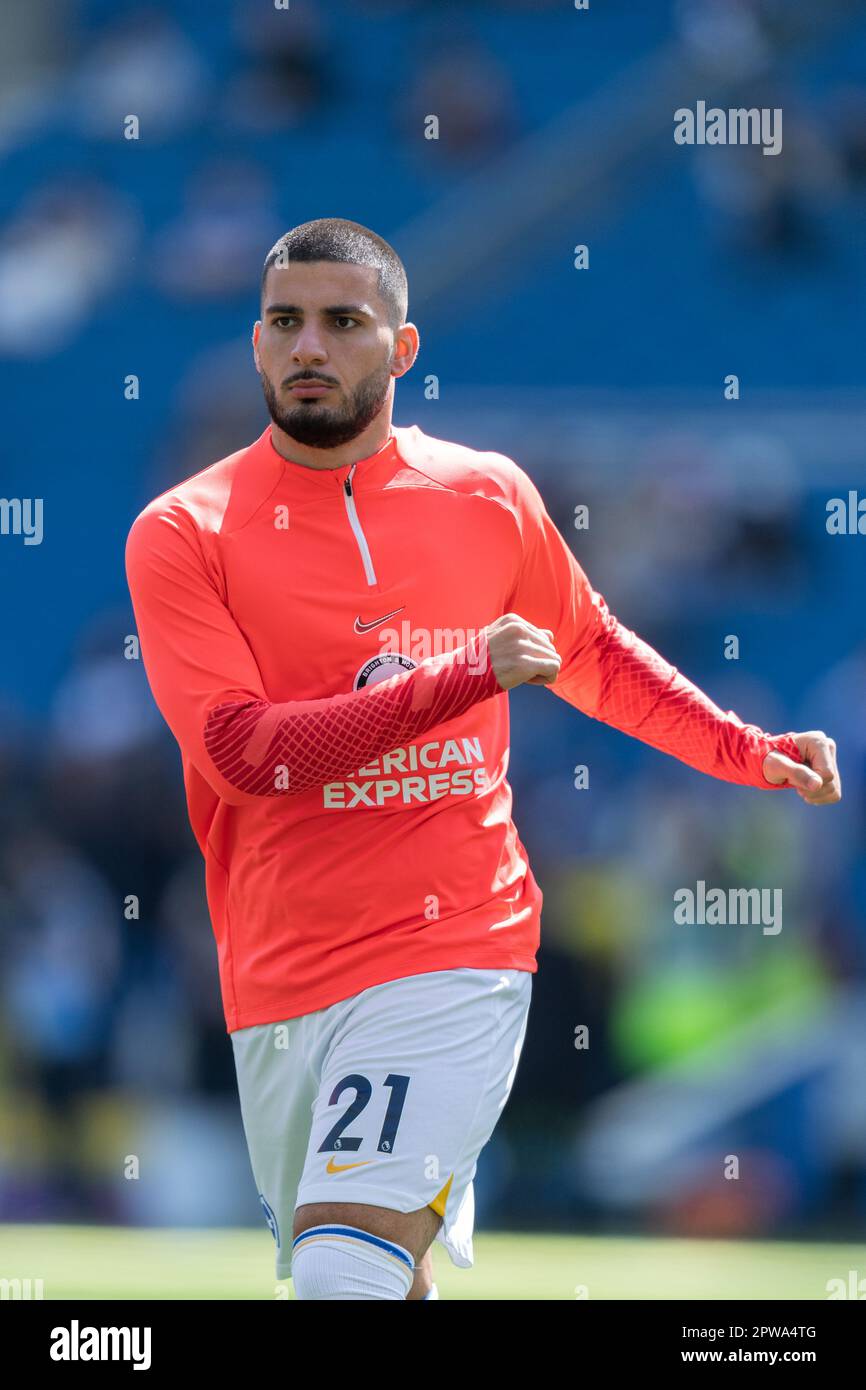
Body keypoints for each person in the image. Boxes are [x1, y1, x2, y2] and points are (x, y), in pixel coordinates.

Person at [125, 218, 841, 1301]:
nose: (307, 345)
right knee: (364, 1275)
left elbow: (588, 652)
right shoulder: (185, 530)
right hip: (276, 969)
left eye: (341, 321)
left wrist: (741, 751)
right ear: (257, 341)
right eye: (283, 322)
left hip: (453, 945)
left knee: (337, 1272)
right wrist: (455, 678)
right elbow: (238, 756)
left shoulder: (486, 495)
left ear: (401, 348)